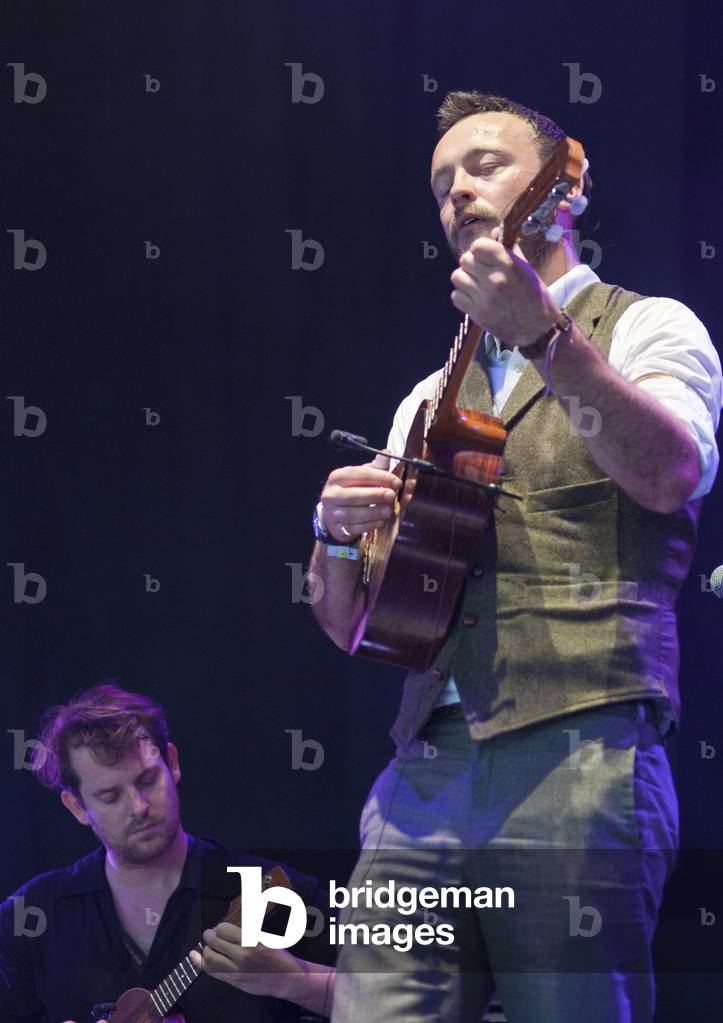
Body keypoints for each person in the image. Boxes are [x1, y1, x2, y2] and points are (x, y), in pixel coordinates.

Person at [309, 92, 722, 1023]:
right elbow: (359, 627)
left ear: (563, 187)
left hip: (579, 744)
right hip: (423, 768)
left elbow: (669, 474)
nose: (457, 192)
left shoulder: (648, 326)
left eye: (484, 166)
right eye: (440, 185)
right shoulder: (429, 396)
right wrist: (331, 534)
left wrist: (542, 335)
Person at [0, 684, 334, 1023]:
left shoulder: (278, 893)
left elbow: (371, 998)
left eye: (147, 780)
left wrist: (294, 981)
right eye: (110, 796)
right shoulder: (27, 920)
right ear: (76, 806)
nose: (138, 807)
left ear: (172, 763)